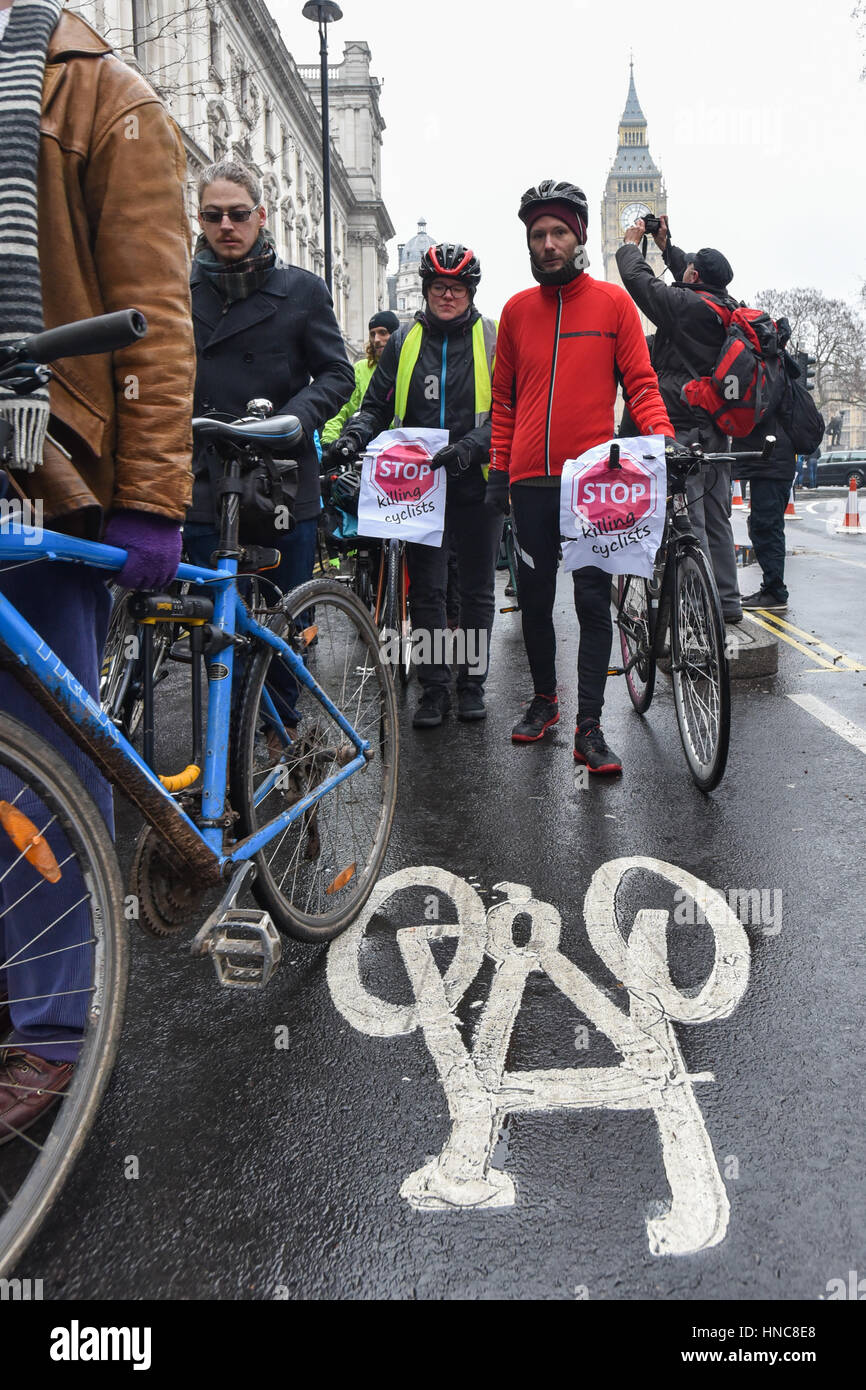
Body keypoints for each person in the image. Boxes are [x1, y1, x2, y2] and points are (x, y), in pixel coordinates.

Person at [0, 0, 194, 1134]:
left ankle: (60, 1027)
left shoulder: (101, 93)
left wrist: (151, 500)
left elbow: (153, 322)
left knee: (38, 772)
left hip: (41, 467)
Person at [489, 180, 674, 772]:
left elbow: (641, 384)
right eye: (538, 234)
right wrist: (498, 470)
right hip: (530, 483)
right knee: (537, 603)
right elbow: (503, 401)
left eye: (558, 232)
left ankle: (589, 726)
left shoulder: (614, 304)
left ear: (580, 237)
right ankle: (545, 700)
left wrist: (660, 435)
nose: (548, 243)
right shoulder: (516, 310)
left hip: (592, 485)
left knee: (594, 604)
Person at [329, 244, 498, 727]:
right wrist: (355, 435)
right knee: (426, 591)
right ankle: (434, 688)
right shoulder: (404, 341)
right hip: (421, 488)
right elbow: (378, 404)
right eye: (439, 287)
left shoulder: (490, 336)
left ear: (470, 293)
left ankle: (472, 685)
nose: (448, 295)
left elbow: (510, 407)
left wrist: (472, 445)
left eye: (457, 288)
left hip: (478, 481)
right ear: (426, 291)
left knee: (476, 592)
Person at [184, 159, 354, 590]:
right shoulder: (178, 293)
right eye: (213, 214)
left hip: (282, 478)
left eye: (239, 214)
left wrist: (295, 418)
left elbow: (337, 372)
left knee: (284, 622)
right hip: (204, 478)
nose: (226, 225)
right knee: (216, 625)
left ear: (260, 216)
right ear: (200, 218)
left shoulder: (303, 290)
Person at [616, 215, 744, 625]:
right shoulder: (725, 306)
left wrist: (631, 244)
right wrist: (666, 243)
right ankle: (727, 602)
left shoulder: (686, 308)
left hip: (684, 427)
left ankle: (697, 609)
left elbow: (642, 284)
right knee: (718, 517)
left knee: (694, 519)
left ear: (693, 275)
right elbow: (686, 268)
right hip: (717, 430)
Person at [321, 310, 400, 444]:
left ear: (396, 335)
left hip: (403, 446)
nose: (376, 339)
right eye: (372, 334)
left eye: (383, 333)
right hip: (369, 445)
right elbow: (341, 408)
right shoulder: (360, 368)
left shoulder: (409, 365)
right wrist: (329, 442)